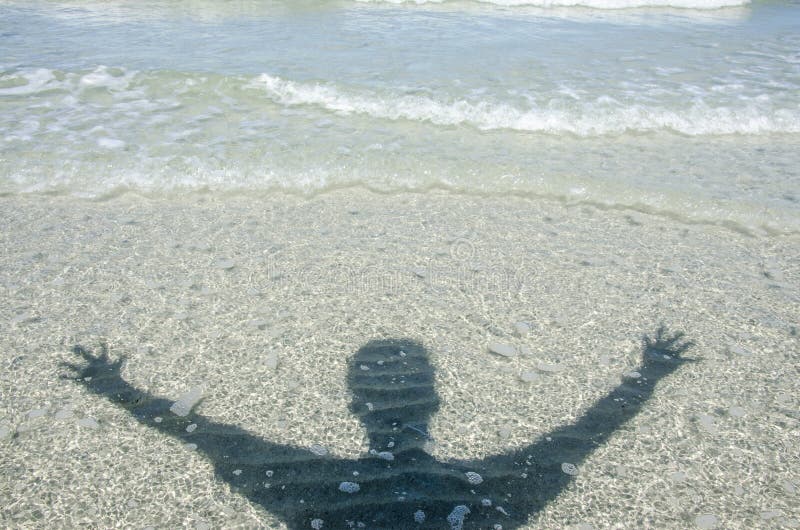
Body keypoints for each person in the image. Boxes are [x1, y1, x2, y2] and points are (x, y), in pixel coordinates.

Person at [63, 327, 693, 529]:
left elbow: (211, 436)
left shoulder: (304, 489)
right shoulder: (498, 498)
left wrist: (112, 387)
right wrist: (649, 375)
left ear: (352, 408)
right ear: (439, 403)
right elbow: (583, 435)